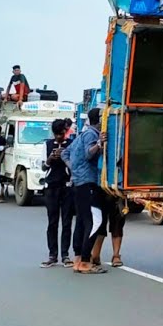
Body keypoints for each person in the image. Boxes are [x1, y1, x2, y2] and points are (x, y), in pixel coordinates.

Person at [68, 107, 106, 274]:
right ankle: (85, 261)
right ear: (99, 120)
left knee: (82, 223)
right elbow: (88, 154)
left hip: (78, 182)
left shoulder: (81, 134)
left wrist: (74, 170)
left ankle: (77, 259)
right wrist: (99, 144)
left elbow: (65, 154)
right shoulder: (91, 134)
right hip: (88, 182)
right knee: (94, 221)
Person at [41, 118, 75, 267]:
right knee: (52, 222)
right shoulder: (47, 144)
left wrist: (64, 156)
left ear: (65, 132)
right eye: (56, 135)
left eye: (61, 134)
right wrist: (50, 158)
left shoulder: (71, 145)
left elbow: (75, 166)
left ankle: (65, 255)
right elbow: (43, 167)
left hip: (67, 186)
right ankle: (52, 255)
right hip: (51, 186)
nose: (58, 138)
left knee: (67, 221)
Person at [91, 190, 126, 268]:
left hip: (118, 190)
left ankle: (116, 255)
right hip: (100, 189)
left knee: (118, 222)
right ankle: (95, 255)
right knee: (100, 223)